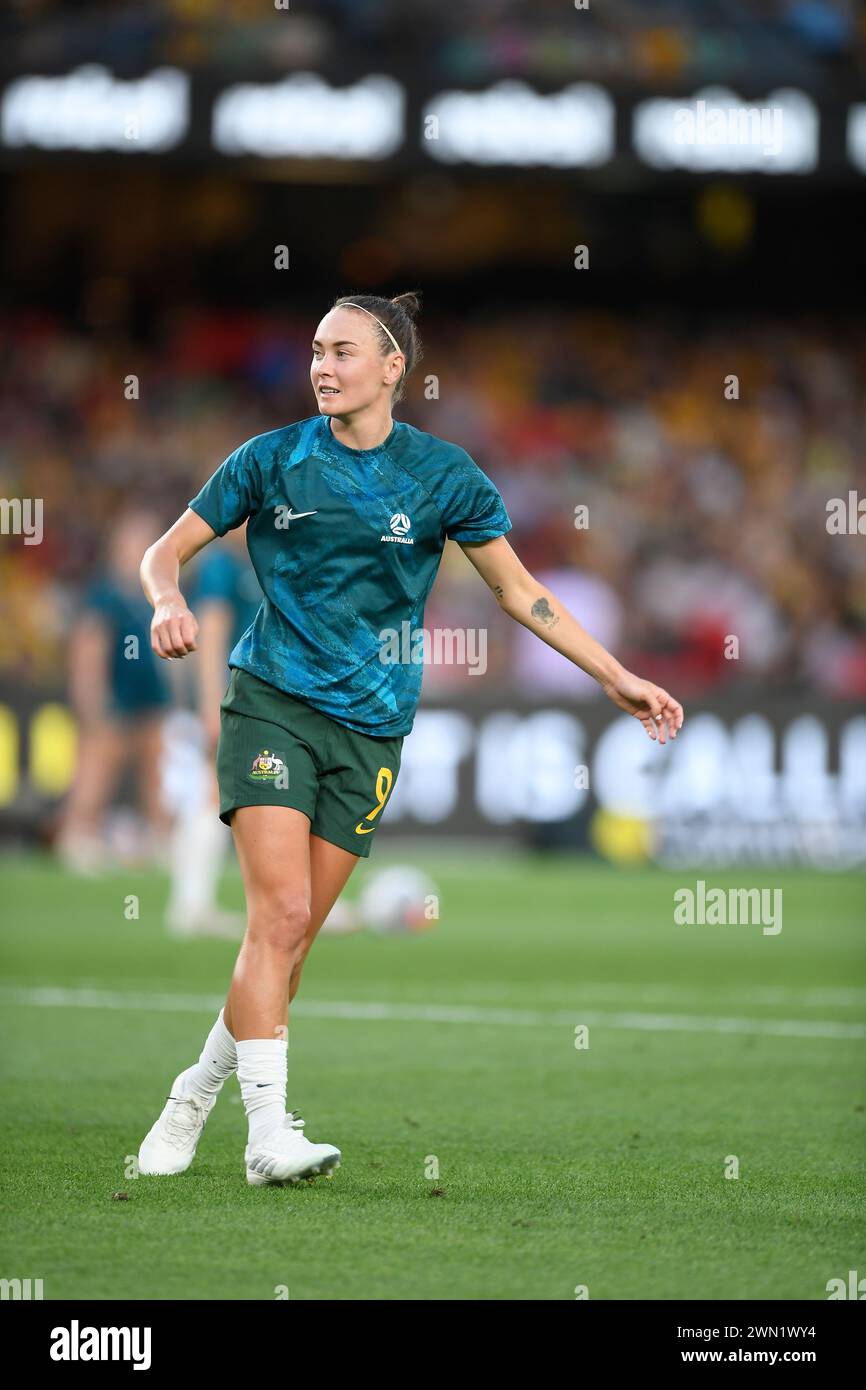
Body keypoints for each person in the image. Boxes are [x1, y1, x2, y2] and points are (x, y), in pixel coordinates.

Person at [136, 291, 684, 1188]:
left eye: (344, 351)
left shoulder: (443, 475)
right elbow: (165, 551)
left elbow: (520, 592)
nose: (322, 365)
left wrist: (615, 674)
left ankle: (193, 1093)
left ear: (394, 368)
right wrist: (167, 599)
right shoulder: (269, 461)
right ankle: (268, 1137)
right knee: (274, 918)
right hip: (270, 699)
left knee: (294, 939)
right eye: (316, 349)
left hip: (374, 727)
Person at [56, 507, 173, 874]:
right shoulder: (104, 594)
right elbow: (89, 648)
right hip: (115, 700)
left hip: (151, 699)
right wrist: (91, 699)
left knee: (156, 776)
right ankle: (77, 838)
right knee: (95, 774)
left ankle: (161, 841)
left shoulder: (158, 592)